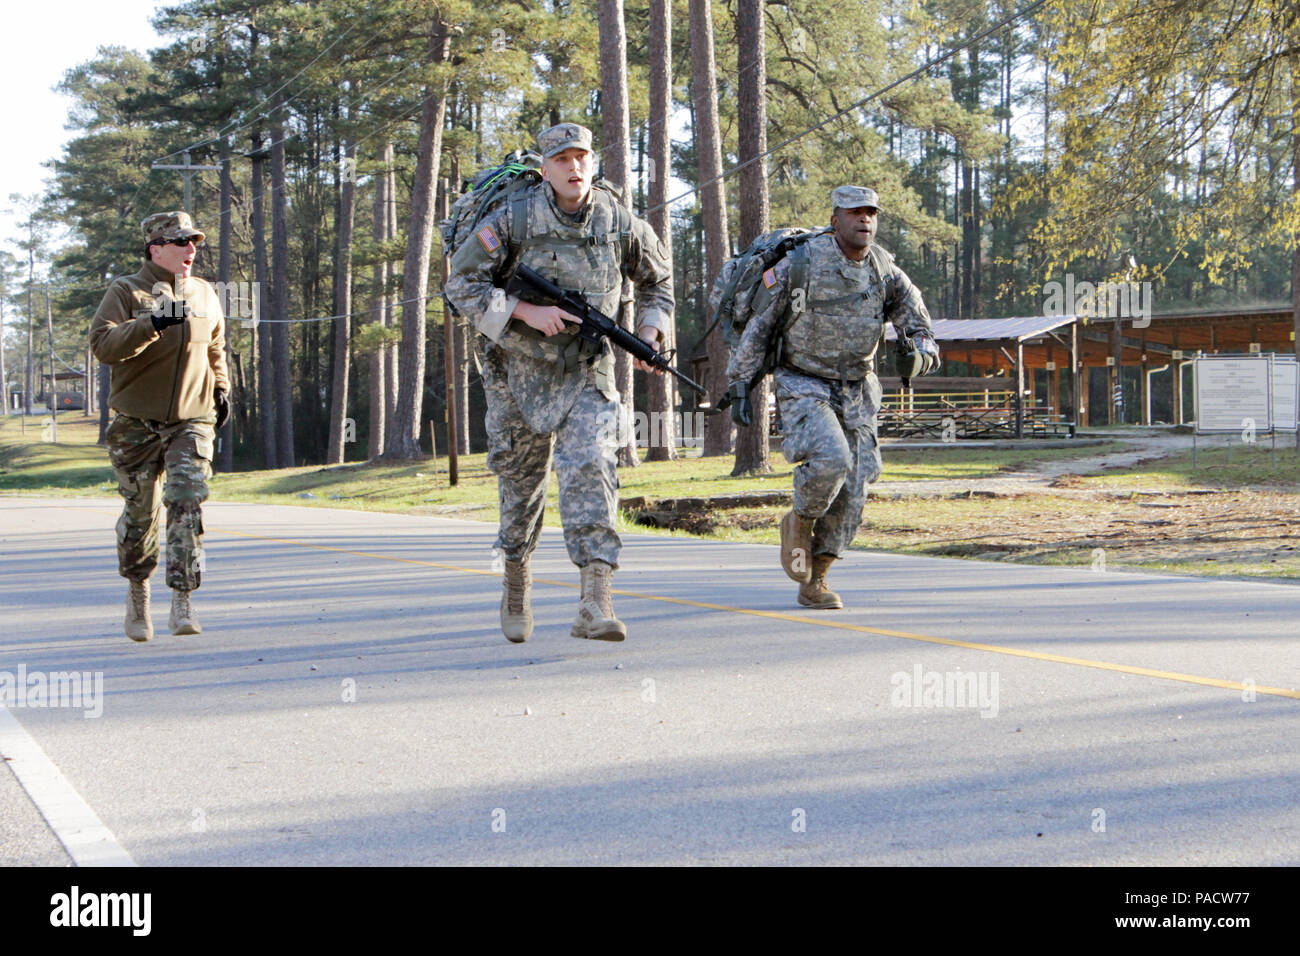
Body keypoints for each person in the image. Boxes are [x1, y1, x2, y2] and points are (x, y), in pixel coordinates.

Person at [445, 122, 673, 644]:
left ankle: (595, 601)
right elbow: (461, 283)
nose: (574, 167)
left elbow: (658, 280)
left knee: (593, 467)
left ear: (593, 163)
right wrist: (523, 309)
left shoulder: (619, 220)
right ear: (544, 169)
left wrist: (651, 328)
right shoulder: (514, 219)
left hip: (586, 367)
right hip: (515, 371)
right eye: (563, 159)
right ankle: (517, 580)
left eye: (583, 157)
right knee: (522, 490)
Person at [725, 186, 939, 609]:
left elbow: (919, 324)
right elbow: (761, 326)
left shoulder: (884, 270)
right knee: (832, 460)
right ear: (835, 218)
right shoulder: (801, 264)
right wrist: (741, 384)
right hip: (803, 379)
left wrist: (920, 351)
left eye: (871, 213)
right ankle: (800, 521)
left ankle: (816, 579)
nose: (865, 220)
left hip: (858, 386)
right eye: (855, 213)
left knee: (856, 483)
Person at [89, 211, 230, 641]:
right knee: (140, 515)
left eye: (194, 242)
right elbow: (102, 346)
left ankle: (183, 599)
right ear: (156, 248)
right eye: (181, 242)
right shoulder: (126, 290)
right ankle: (138, 591)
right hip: (136, 421)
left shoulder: (206, 293)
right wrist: (150, 324)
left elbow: (217, 346)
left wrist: (222, 387)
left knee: (186, 499)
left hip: (191, 418)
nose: (191, 250)